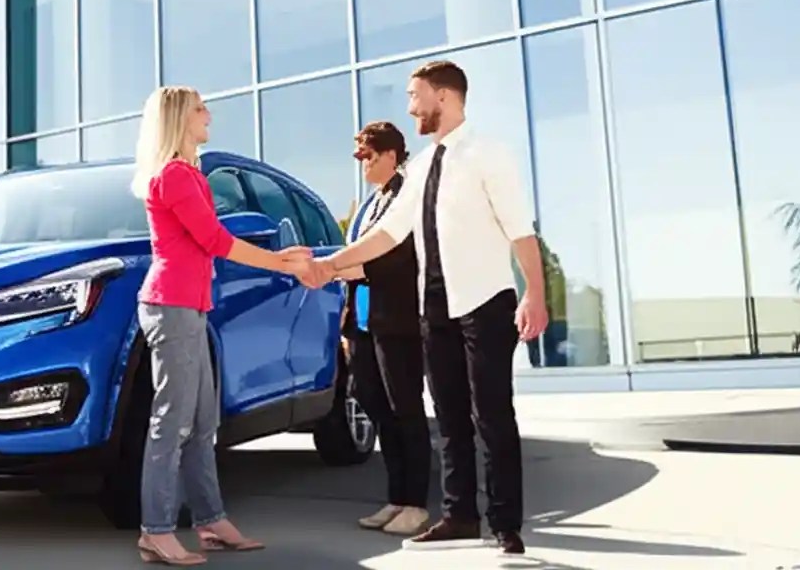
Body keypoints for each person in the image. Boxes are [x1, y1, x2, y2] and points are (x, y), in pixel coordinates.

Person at [301, 60, 548, 556]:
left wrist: (535, 293)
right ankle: (459, 516)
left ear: (444, 96)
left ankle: (506, 526)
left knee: (492, 417)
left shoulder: (486, 153)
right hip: (433, 310)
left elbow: (520, 229)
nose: (411, 106)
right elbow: (388, 234)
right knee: (450, 418)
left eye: (416, 97)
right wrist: (329, 265)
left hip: (485, 303)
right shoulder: (418, 169)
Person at [130, 85, 312, 566]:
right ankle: (156, 530)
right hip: (171, 306)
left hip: (191, 308)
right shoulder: (173, 176)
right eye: (199, 108)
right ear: (178, 119)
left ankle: (210, 520)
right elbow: (214, 240)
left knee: (203, 421)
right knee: (171, 421)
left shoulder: (192, 175)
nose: (208, 114)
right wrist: (281, 262)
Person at [335, 121, 432, 536]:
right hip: (363, 322)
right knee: (369, 398)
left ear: (391, 155)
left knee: (405, 408)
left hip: (398, 321)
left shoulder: (405, 195)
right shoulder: (369, 203)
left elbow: (392, 256)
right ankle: (396, 498)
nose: (365, 167)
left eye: (369, 158)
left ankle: (416, 503)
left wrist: (331, 266)